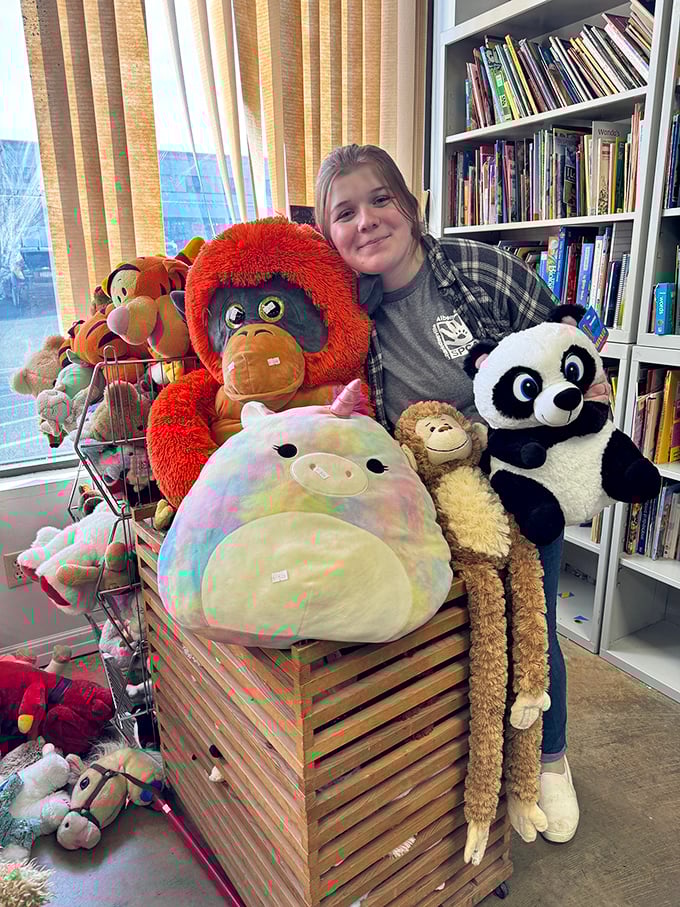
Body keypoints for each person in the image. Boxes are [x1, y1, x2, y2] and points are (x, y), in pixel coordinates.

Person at [315, 143, 590, 844]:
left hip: (520, 479)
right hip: (424, 497)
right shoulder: (346, 312)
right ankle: (474, 768)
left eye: (381, 199)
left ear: (409, 206)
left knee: (532, 623)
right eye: (344, 212)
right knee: (461, 631)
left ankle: (550, 759)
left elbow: (570, 355)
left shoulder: (478, 269)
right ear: (328, 234)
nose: (366, 221)